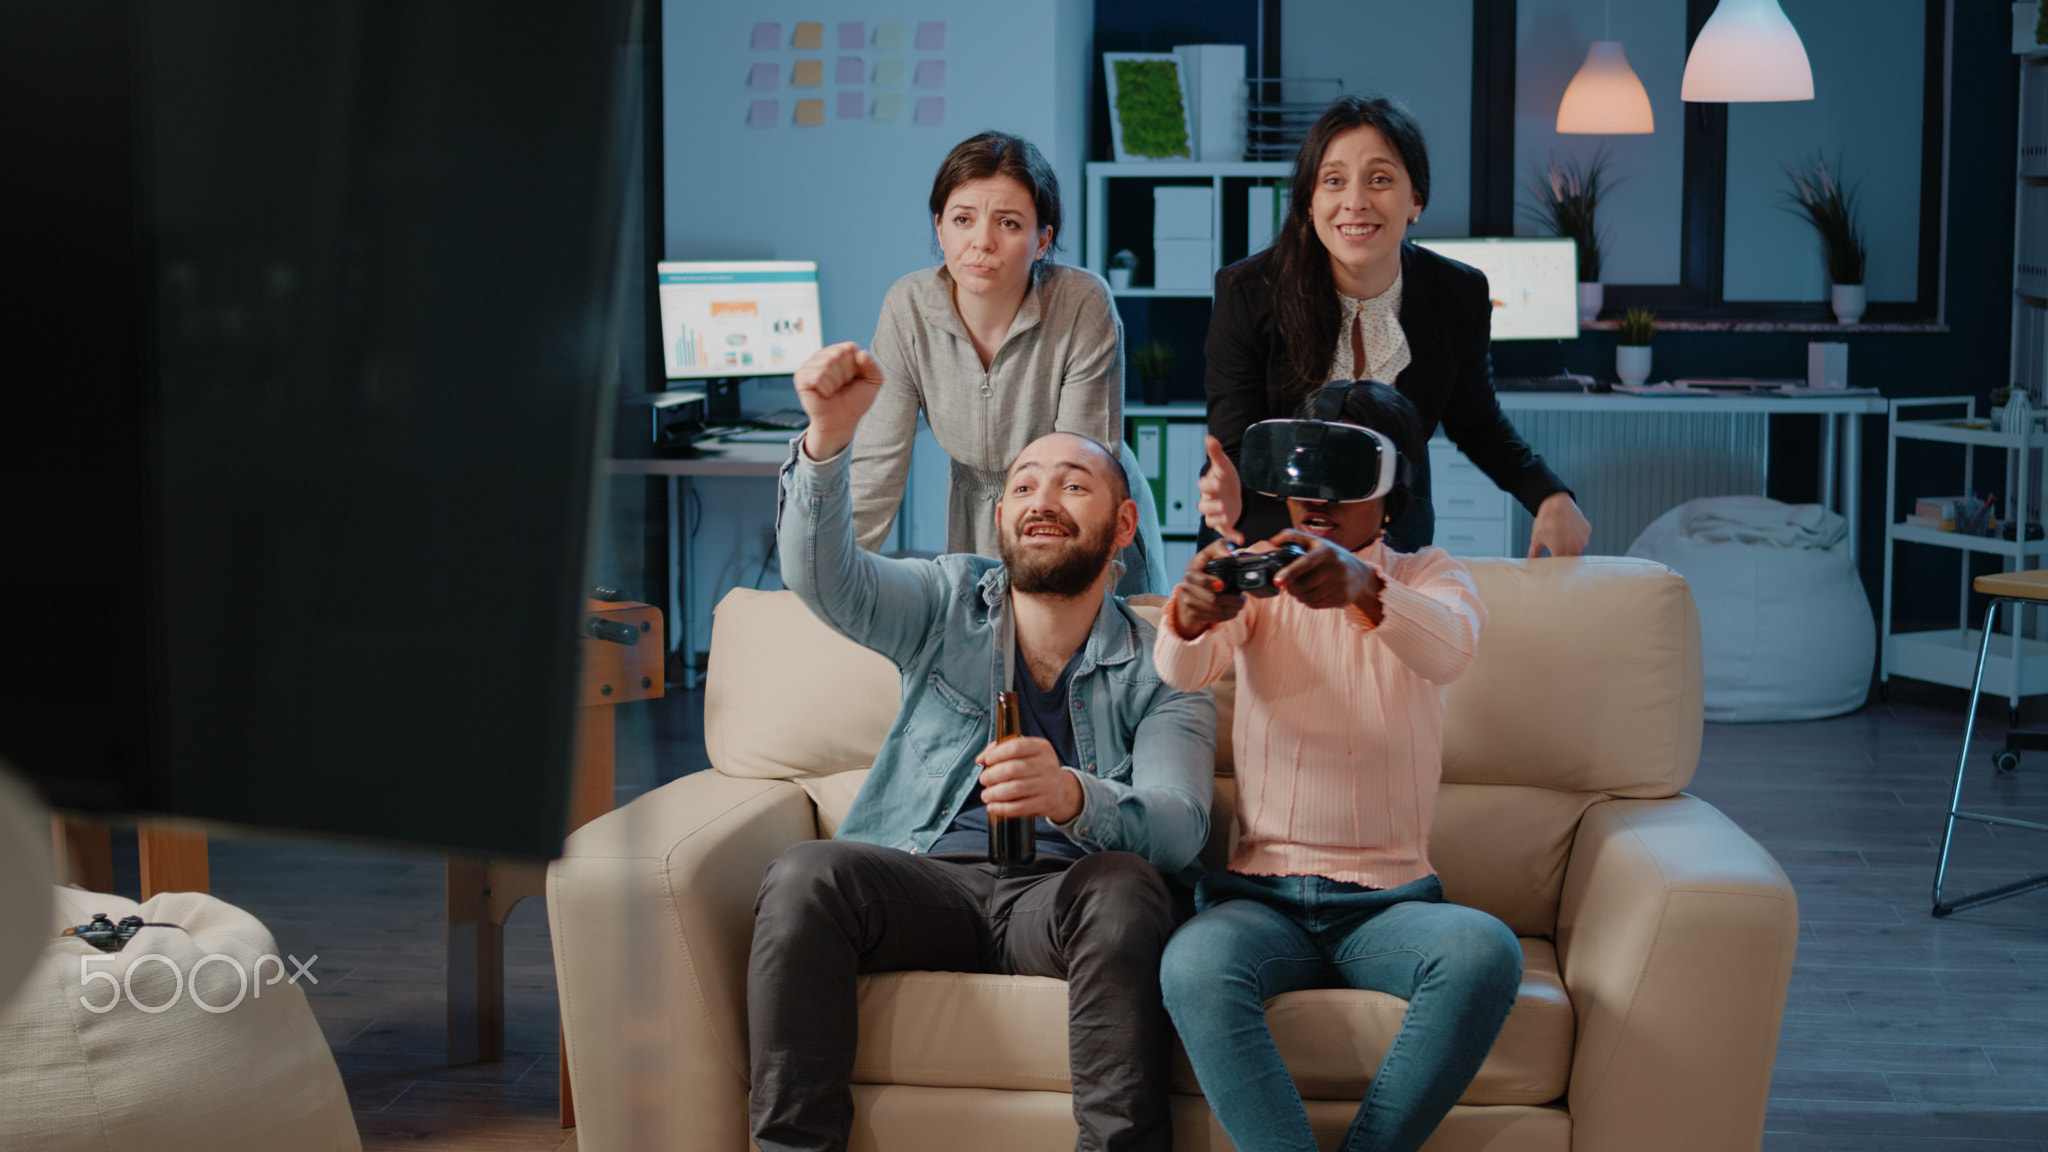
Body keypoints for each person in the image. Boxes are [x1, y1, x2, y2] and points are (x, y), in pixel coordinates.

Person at [751, 340, 1216, 1152]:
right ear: (1001, 518)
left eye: (1075, 486)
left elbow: (1180, 829)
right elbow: (822, 579)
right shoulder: (942, 600)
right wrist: (826, 441)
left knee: (1127, 886)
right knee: (805, 875)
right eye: (1025, 486)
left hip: (1059, 901)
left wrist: (1073, 795)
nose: (1043, 499)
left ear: (1123, 525)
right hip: (929, 881)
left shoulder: (1166, 663)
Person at [1155, 382, 1522, 1152]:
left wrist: (1365, 588)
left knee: (1485, 952)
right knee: (1191, 963)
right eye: (1305, 473)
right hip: (1262, 897)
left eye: (1345, 473)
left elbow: (1449, 650)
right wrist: (1186, 616)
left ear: (1391, 495)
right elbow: (1181, 671)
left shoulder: (1433, 577)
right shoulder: (1253, 573)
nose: (1318, 497)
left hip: (1389, 906)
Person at [1200, 94, 1592, 559]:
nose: (1355, 202)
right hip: (1268, 539)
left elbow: (1477, 422)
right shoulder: (1249, 291)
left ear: (1415, 200)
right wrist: (1228, 489)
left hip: (1393, 548)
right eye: (1333, 181)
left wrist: (1548, 494)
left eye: (1380, 179)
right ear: (1309, 201)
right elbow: (1239, 448)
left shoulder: (1457, 292)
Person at [848, 130, 1168, 593]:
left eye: (1009, 224)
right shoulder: (908, 308)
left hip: (1085, 517)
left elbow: (1078, 473)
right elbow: (874, 473)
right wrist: (821, 593)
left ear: (1042, 240)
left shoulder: (1081, 303)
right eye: (962, 219)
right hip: (976, 516)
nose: (982, 242)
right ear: (939, 227)